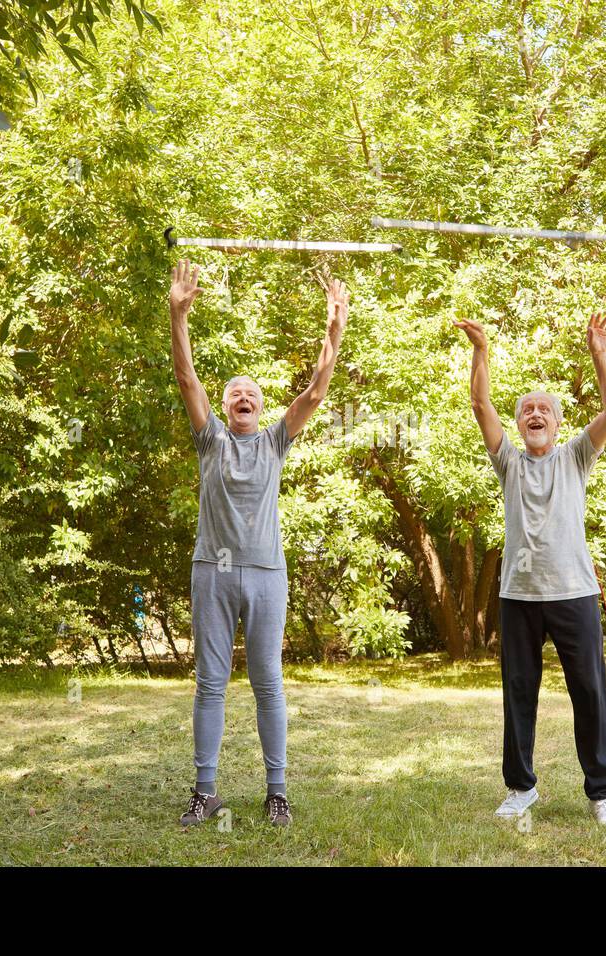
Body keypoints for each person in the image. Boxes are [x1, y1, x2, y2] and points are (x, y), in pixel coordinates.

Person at [168, 259, 349, 827]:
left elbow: (316, 393)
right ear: (224, 408)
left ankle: (278, 792)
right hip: (212, 574)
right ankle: (205, 791)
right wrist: (178, 315)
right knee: (211, 684)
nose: (243, 397)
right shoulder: (211, 442)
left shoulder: (274, 442)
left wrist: (333, 332)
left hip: (266, 574)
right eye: (235, 393)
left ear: (263, 407)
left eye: (252, 392)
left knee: (269, 683)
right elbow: (186, 379)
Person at [453, 310, 606, 830]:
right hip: (519, 596)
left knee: (590, 693)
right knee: (518, 694)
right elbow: (481, 403)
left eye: (543, 410)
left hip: (574, 592)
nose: (534, 414)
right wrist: (481, 351)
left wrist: (599, 353)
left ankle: (603, 795)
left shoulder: (575, 456)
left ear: (555, 422)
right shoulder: (507, 460)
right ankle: (521, 787)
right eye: (526, 409)